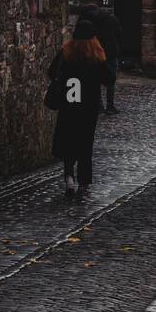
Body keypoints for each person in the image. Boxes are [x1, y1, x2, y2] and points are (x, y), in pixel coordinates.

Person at [47, 19, 109, 199]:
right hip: (88, 108)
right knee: (85, 144)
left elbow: (52, 72)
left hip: (69, 104)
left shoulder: (66, 53)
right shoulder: (96, 56)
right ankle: (84, 180)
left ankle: (69, 177)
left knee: (68, 141)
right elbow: (108, 78)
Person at [77, 3, 122, 113]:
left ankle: (99, 105)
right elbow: (119, 34)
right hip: (111, 53)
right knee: (111, 80)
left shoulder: (85, 21)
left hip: (94, 53)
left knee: (94, 80)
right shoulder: (111, 18)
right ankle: (110, 106)